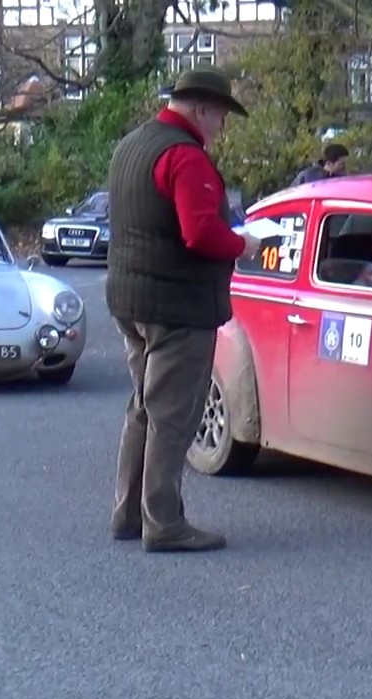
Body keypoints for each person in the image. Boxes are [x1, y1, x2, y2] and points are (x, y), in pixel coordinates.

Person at [105, 68, 260, 552]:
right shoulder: (186, 158)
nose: (222, 126)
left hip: (130, 300)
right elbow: (200, 234)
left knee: (143, 407)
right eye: (220, 115)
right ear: (199, 109)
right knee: (173, 416)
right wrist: (244, 244)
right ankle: (164, 522)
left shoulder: (132, 146)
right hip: (177, 305)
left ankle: (128, 513)